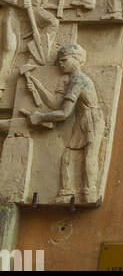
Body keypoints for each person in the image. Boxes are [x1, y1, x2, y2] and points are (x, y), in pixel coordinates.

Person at [26, 43, 105, 204]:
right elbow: (56, 104)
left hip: (92, 121)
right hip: (83, 120)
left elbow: (64, 113)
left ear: (76, 59)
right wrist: (38, 85)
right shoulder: (70, 79)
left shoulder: (79, 79)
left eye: (64, 60)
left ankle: (89, 193)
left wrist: (40, 117)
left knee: (89, 157)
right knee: (68, 157)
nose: (60, 64)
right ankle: (67, 193)